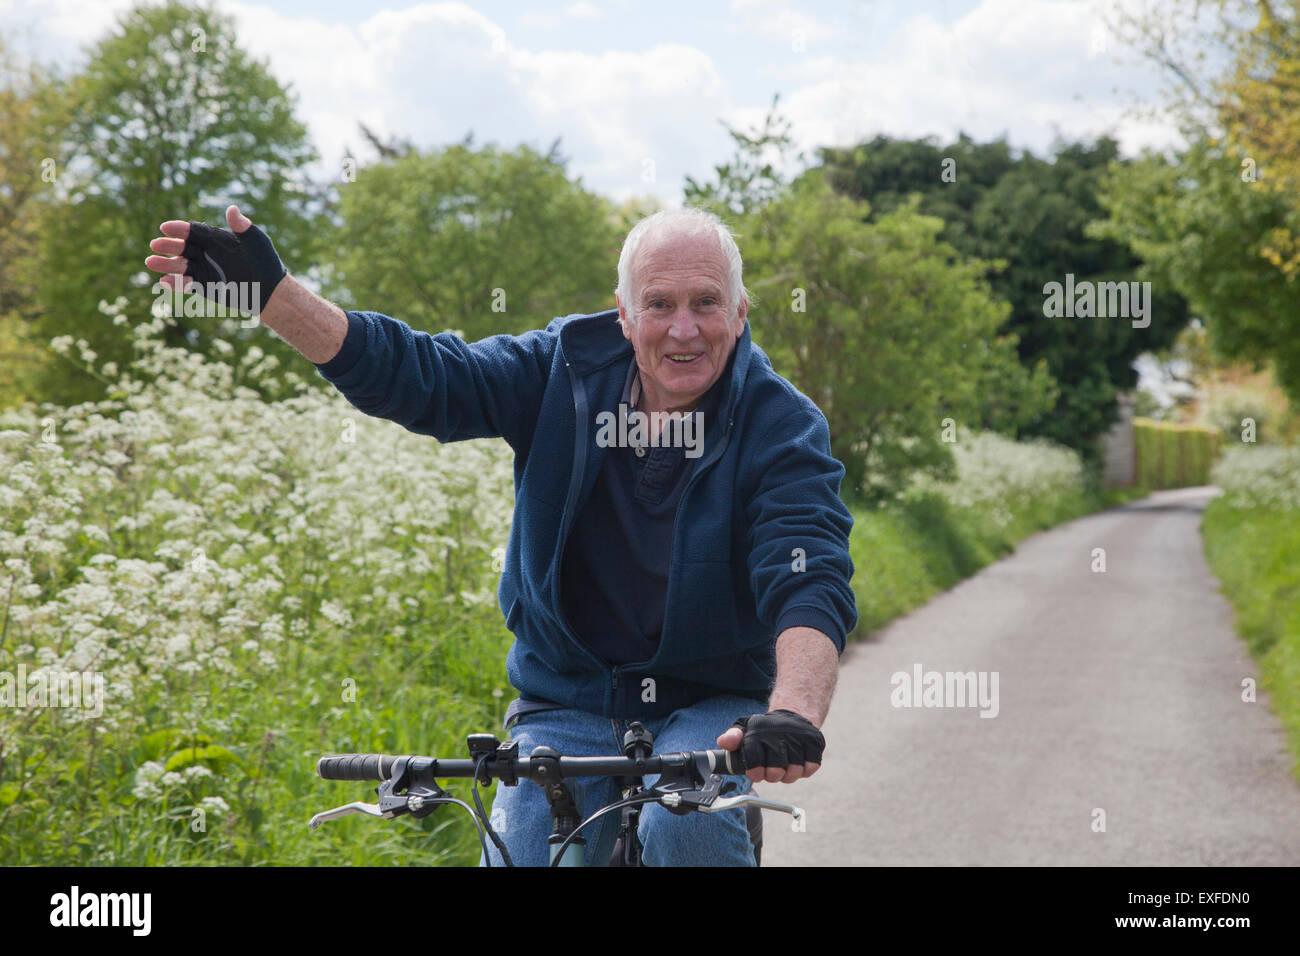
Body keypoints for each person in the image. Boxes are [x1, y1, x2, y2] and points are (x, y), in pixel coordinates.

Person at [145, 204, 857, 866]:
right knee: (519, 843)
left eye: (706, 303)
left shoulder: (780, 423)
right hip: (569, 696)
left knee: (684, 816)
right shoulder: (560, 370)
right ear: (622, 314)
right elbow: (427, 378)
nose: (684, 329)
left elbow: (807, 575)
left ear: (739, 312)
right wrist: (276, 298)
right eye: (660, 305)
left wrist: (792, 711)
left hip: (710, 697)